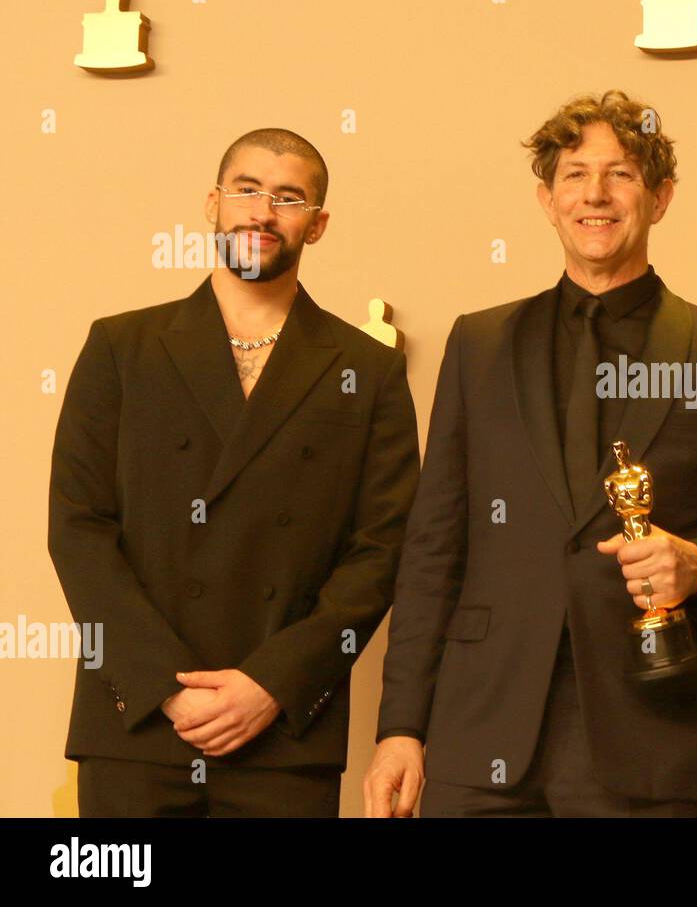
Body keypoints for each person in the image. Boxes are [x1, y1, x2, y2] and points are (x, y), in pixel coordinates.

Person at [365, 91, 697, 817]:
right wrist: (401, 727)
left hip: (647, 731)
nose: (595, 194)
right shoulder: (478, 345)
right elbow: (432, 546)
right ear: (547, 198)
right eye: (575, 175)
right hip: (479, 734)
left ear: (660, 199)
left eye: (622, 174)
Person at [49, 128, 420, 816]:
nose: (261, 211)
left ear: (319, 222)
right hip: (136, 722)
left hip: (282, 733)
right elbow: (78, 530)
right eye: (246, 190)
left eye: (288, 197)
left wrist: (272, 683)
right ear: (212, 203)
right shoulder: (121, 347)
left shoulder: (367, 372)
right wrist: (165, 684)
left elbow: (382, 550)